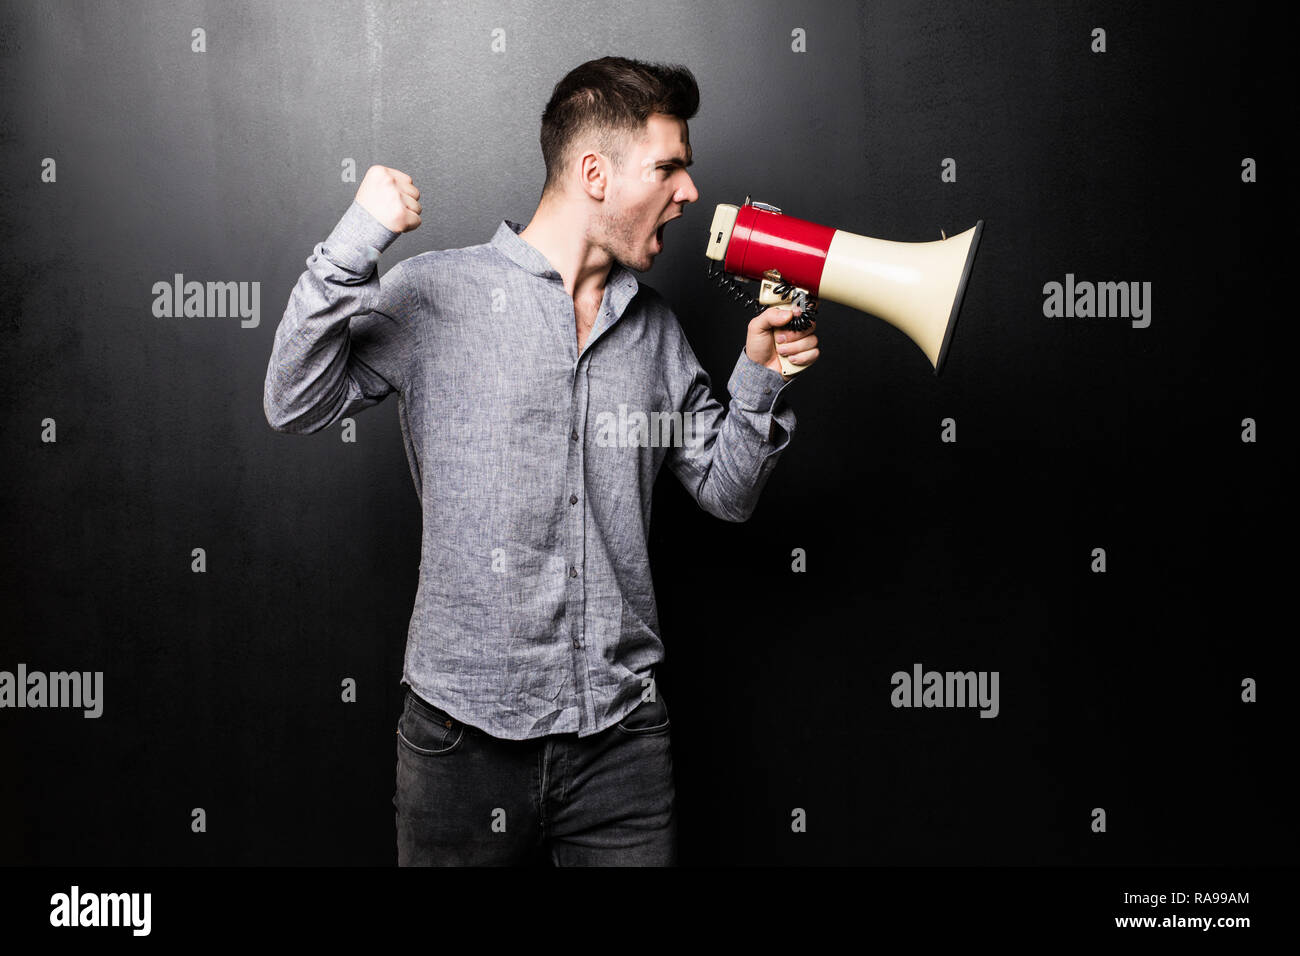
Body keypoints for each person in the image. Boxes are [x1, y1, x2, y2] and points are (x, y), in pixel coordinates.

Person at [262, 55, 820, 866]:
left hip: (622, 749)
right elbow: (294, 400)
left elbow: (727, 494)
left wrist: (762, 373)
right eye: (669, 168)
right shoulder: (433, 294)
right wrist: (357, 241)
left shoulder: (656, 330)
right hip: (459, 746)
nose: (690, 193)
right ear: (595, 172)